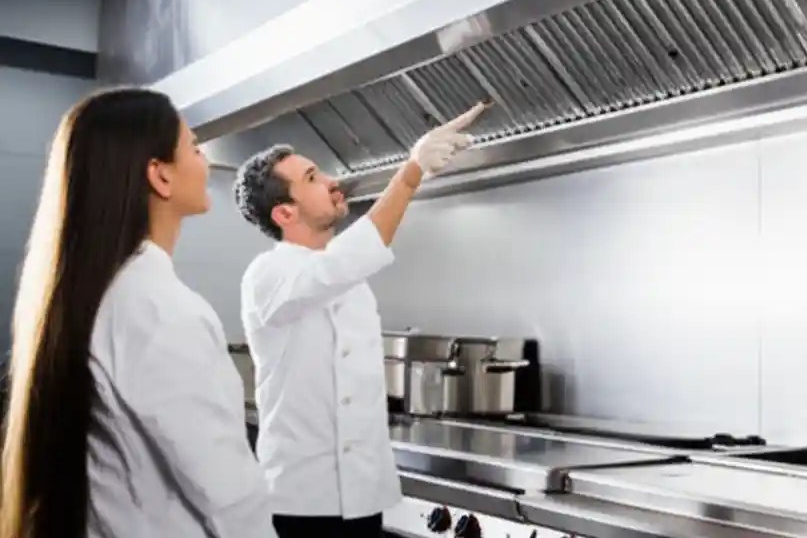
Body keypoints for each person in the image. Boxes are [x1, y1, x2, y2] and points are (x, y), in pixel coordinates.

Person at [0, 88, 275, 538]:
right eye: (194, 148)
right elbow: (232, 499)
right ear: (160, 176)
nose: (205, 161)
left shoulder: (97, 294)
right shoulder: (159, 307)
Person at [233, 102, 486, 538]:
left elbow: (342, 268)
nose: (332, 182)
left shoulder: (349, 282)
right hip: (300, 503)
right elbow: (341, 264)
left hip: (363, 499)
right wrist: (410, 173)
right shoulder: (267, 276)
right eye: (313, 178)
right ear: (284, 213)